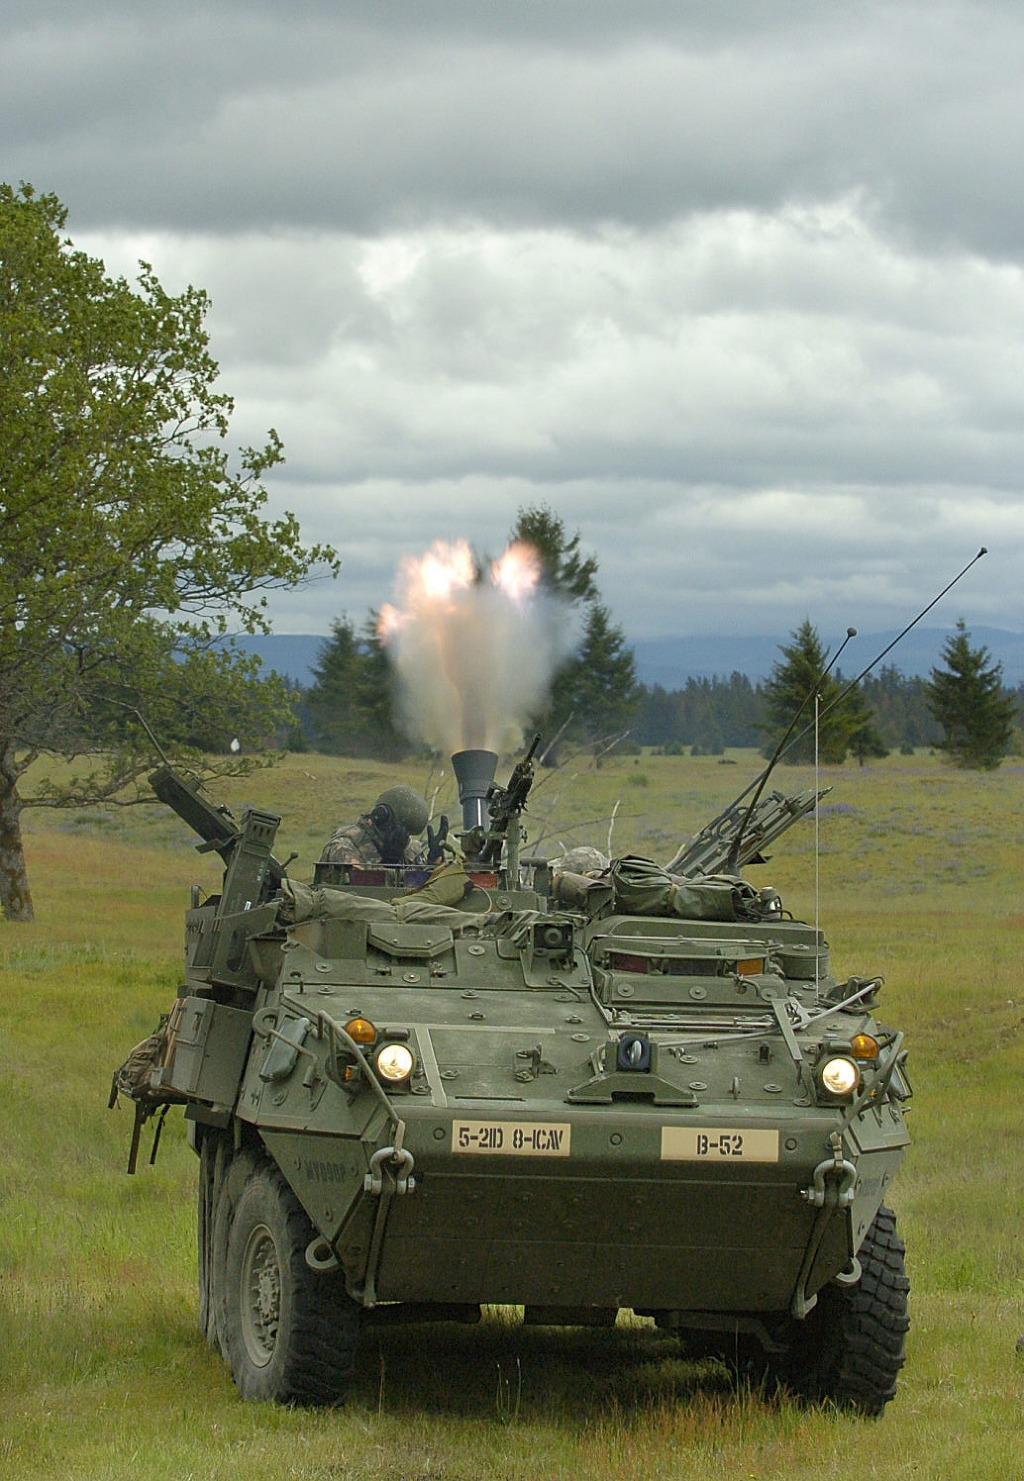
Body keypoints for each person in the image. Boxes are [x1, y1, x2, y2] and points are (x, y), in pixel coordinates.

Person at [320, 785, 443, 868]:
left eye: (407, 834)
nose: (404, 838)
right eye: (400, 831)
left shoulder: (407, 847)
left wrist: (433, 861)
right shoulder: (344, 848)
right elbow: (361, 896)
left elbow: (425, 889)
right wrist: (389, 864)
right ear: (382, 817)